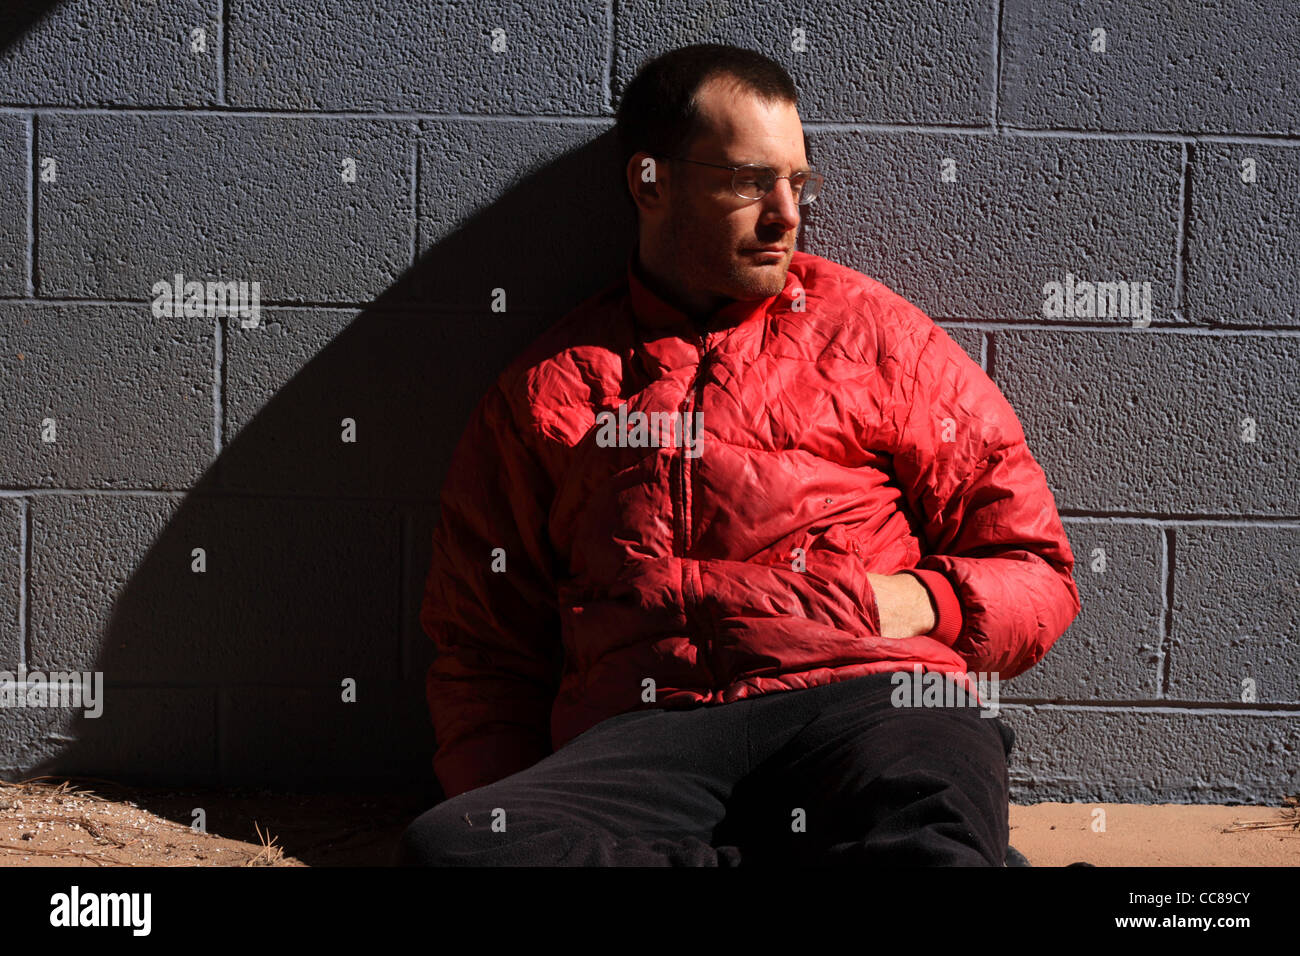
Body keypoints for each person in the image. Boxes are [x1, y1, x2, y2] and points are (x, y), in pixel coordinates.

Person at [395, 43, 1081, 866]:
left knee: (930, 831)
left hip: (874, 701)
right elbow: (483, 648)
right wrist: (511, 803)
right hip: (651, 730)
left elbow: (1036, 569)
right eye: (751, 181)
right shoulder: (552, 389)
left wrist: (916, 602)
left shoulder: (877, 338)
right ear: (649, 182)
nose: (787, 213)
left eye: (798, 182)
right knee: (454, 849)